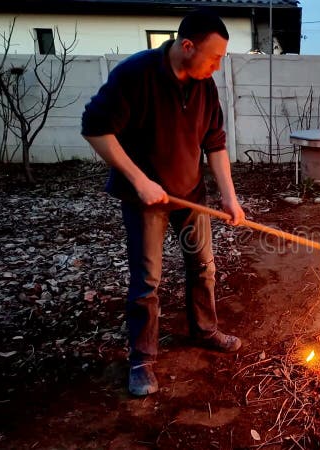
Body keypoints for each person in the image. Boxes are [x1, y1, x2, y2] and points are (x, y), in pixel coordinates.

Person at [81, 9, 245, 396]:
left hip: (191, 195)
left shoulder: (204, 85)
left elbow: (215, 144)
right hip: (146, 200)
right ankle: (142, 358)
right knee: (147, 282)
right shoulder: (135, 76)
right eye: (214, 57)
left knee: (203, 266)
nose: (218, 67)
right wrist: (139, 180)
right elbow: (95, 127)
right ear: (187, 46)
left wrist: (230, 199)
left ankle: (204, 331)